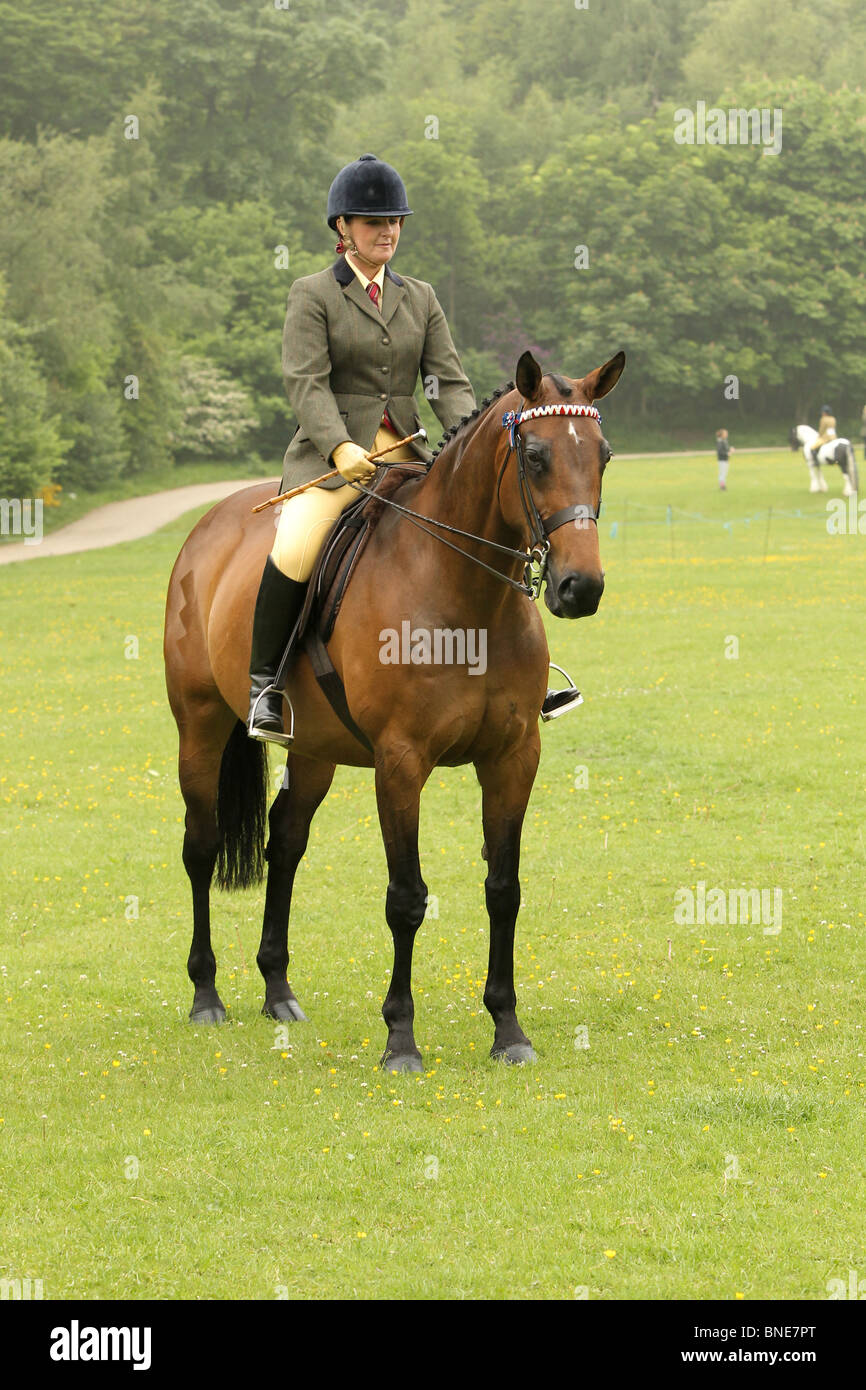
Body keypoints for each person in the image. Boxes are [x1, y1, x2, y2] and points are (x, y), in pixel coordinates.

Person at [247, 152, 580, 745]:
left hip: (406, 454)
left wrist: (475, 447)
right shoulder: (313, 294)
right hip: (333, 462)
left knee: (486, 532)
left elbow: (449, 383)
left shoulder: (419, 297)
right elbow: (306, 382)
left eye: (395, 221)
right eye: (374, 222)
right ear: (343, 228)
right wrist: (337, 447)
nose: (388, 232)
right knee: (296, 545)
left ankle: (524, 672)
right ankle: (265, 686)